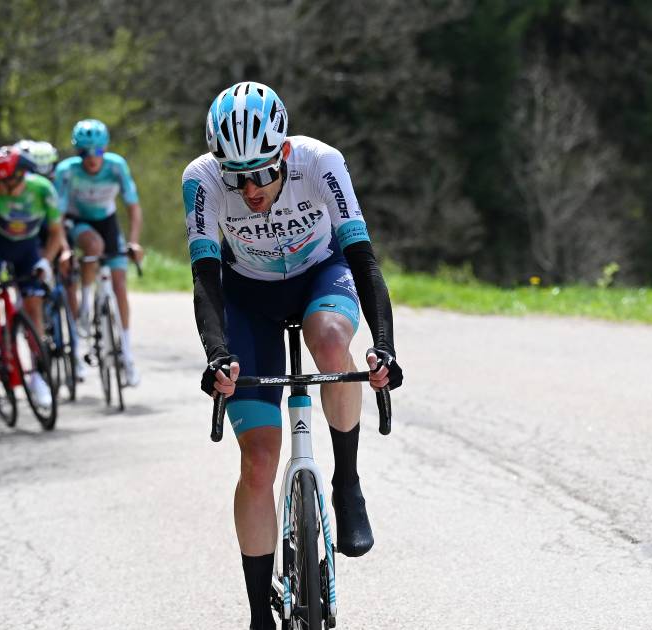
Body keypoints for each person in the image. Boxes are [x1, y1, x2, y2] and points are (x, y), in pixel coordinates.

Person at [183, 81, 404, 629]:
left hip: (318, 276)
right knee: (258, 462)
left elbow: (362, 258)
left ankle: (346, 482)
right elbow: (206, 276)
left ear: (283, 152)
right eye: (237, 176)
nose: (251, 189)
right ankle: (260, 612)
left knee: (331, 338)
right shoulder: (202, 180)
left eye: (261, 172)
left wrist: (384, 346)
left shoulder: (321, 162)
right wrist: (217, 356)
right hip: (246, 296)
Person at [0, 146, 65, 407]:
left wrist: (46, 261)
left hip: (28, 250)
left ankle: (36, 379)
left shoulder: (43, 189)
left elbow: (56, 232)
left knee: (34, 308)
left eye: (0, 182)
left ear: (16, 178)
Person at [53, 119, 145, 386]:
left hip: (107, 222)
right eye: (84, 153)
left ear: (105, 149)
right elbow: (56, 216)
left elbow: (133, 209)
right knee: (93, 247)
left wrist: (134, 242)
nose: (91, 159)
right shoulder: (66, 171)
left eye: (97, 152)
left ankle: (127, 355)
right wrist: (65, 250)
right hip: (77, 221)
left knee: (119, 284)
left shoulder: (116, 166)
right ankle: (84, 304)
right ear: (77, 153)